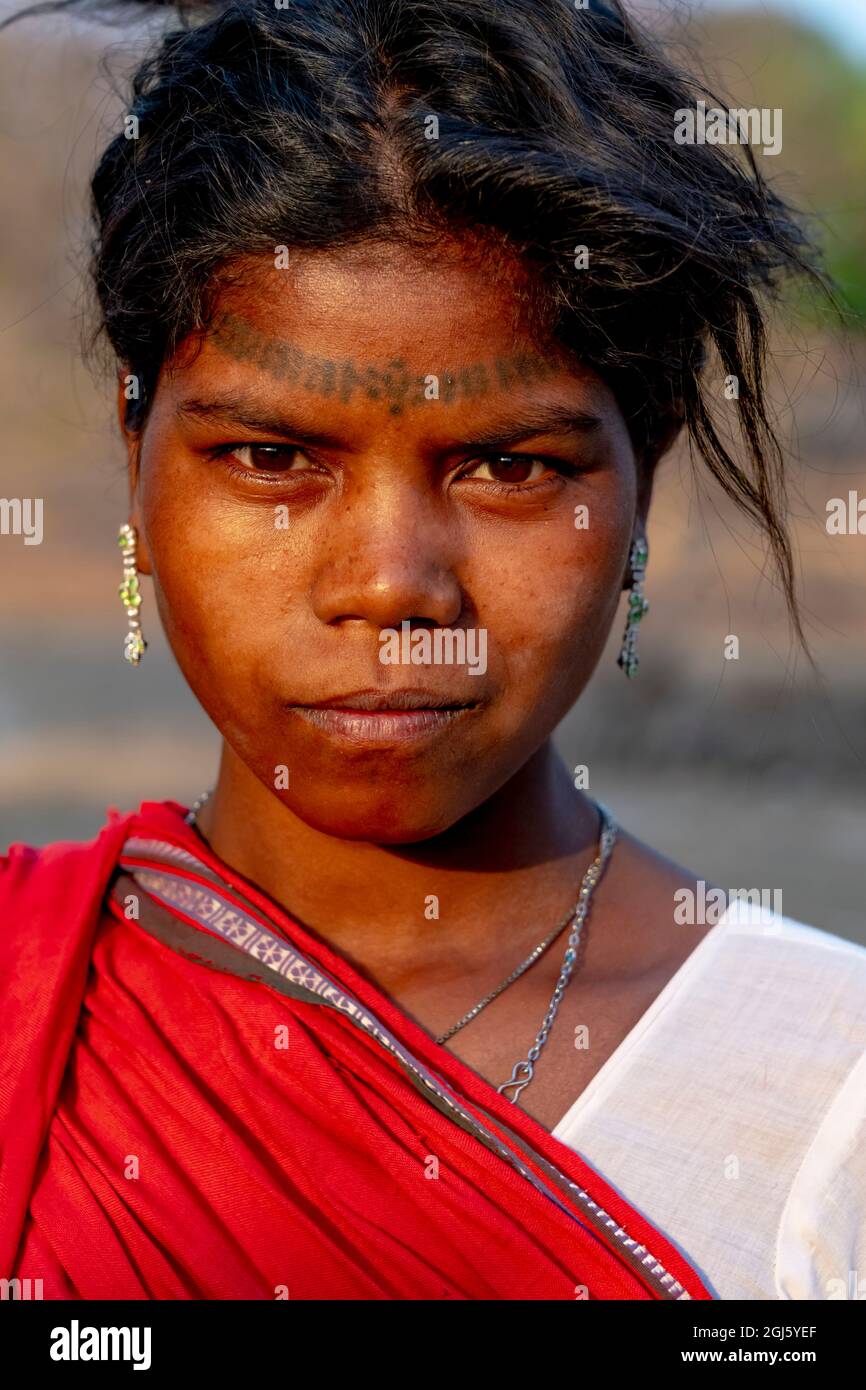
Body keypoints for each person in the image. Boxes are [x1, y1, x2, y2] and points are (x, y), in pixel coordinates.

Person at [1, 0, 863, 1301]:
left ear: (643, 473)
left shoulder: (826, 1090)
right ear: (138, 455)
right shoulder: (26, 1001)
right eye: (272, 457)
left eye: (509, 465)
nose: (390, 583)